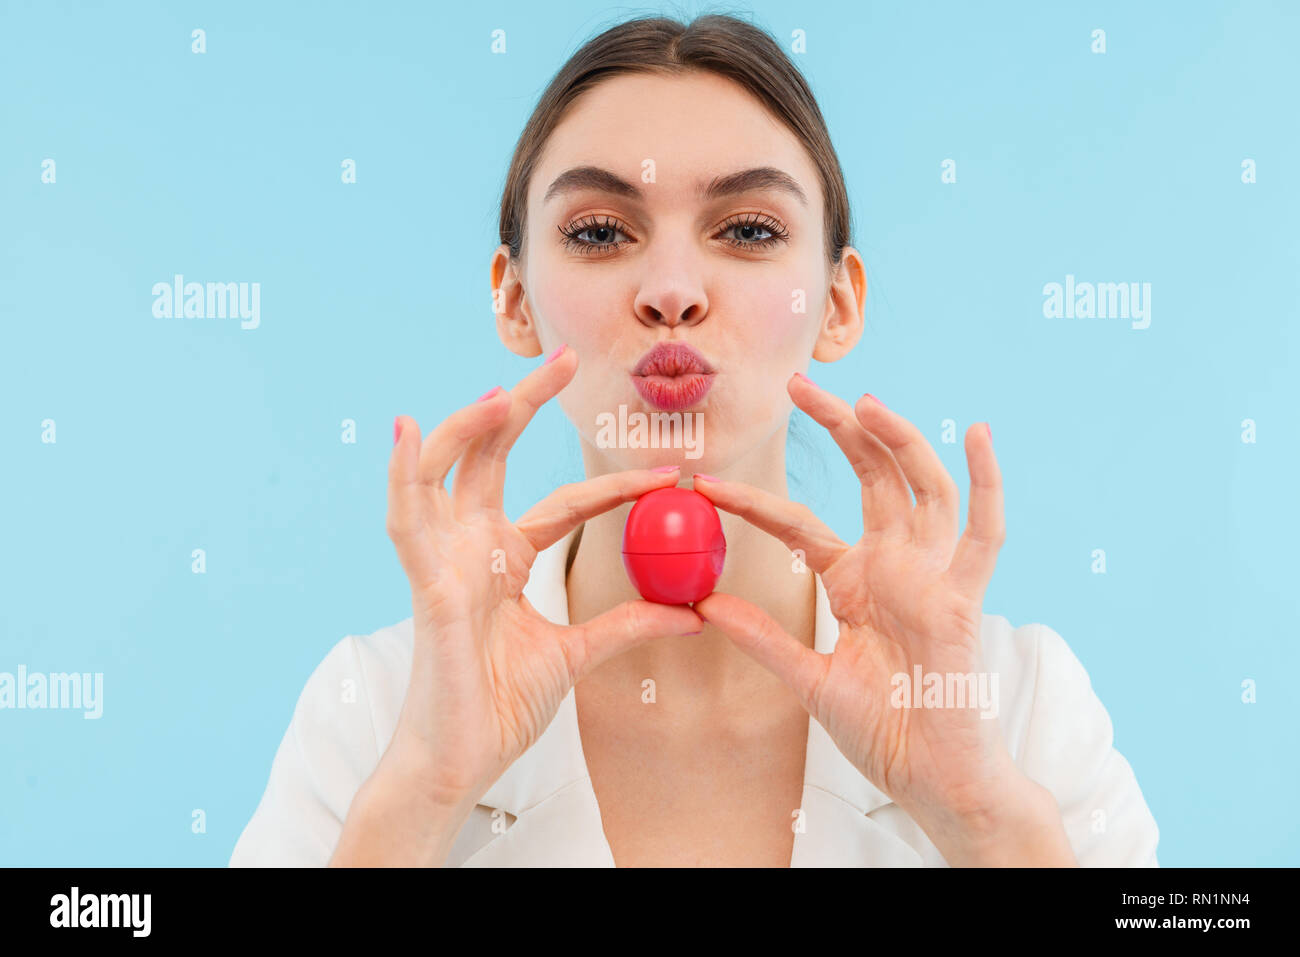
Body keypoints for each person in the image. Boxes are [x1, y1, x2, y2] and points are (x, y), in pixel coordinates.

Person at [230, 13, 1159, 867]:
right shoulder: (378, 712)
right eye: (600, 231)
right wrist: (423, 798)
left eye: (748, 229)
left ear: (838, 303)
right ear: (514, 299)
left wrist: (986, 823)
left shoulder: (1017, 701)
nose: (671, 287)